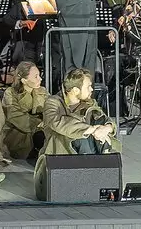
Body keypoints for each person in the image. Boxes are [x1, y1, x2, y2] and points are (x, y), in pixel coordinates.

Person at [35, 67, 119, 197]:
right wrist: (89, 129)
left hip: (89, 146)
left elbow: (102, 117)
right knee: (80, 137)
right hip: (62, 150)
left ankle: (101, 182)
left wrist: (106, 128)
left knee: (103, 137)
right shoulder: (53, 102)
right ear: (75, 90)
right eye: (88, 86)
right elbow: (57, 122)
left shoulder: (89, 102)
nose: (92, 89)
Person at [2, 60, 47, 161]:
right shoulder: (10, 93)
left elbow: (51, 109)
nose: (40, 79)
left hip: (40, 131)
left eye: (39, 75)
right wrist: (39, 123)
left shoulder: (42, 91)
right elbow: (14, 115)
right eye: (36, 76)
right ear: (24, 80)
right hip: (19, 136)